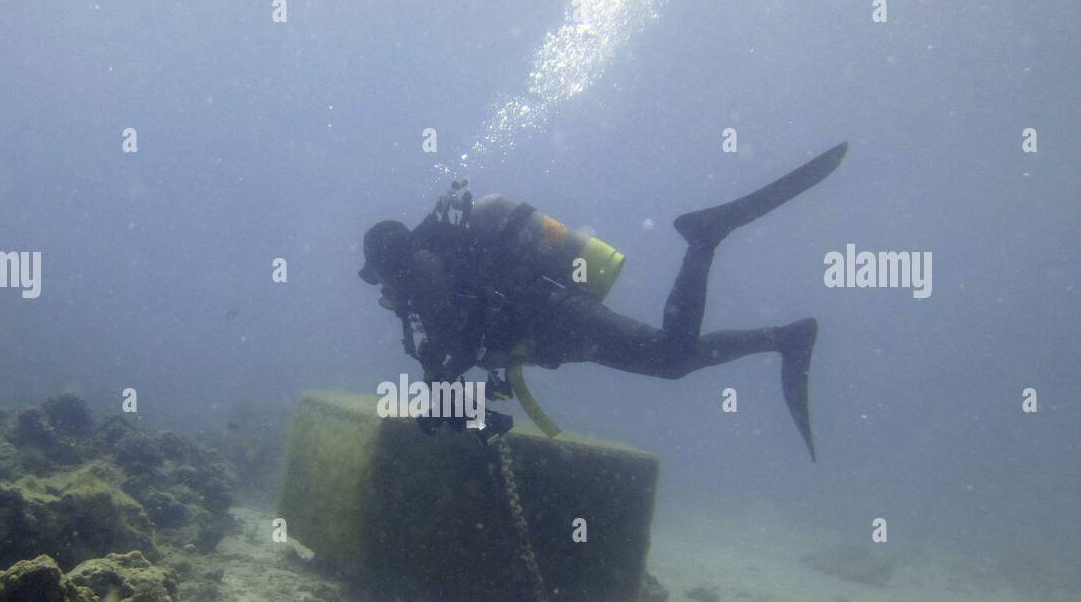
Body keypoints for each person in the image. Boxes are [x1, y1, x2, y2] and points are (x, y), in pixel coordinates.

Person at [359, 143, 848, 459]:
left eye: (377, 277)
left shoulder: (421, 279)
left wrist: (448, 390)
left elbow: (457, 347)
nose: (380, 290)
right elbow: (461, 347)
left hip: (557, 319)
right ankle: (783, 337)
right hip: (555, 328)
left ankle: (704, 239)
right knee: (668, 360)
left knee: (669, 356)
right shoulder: (433, 269)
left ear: (387, 263)